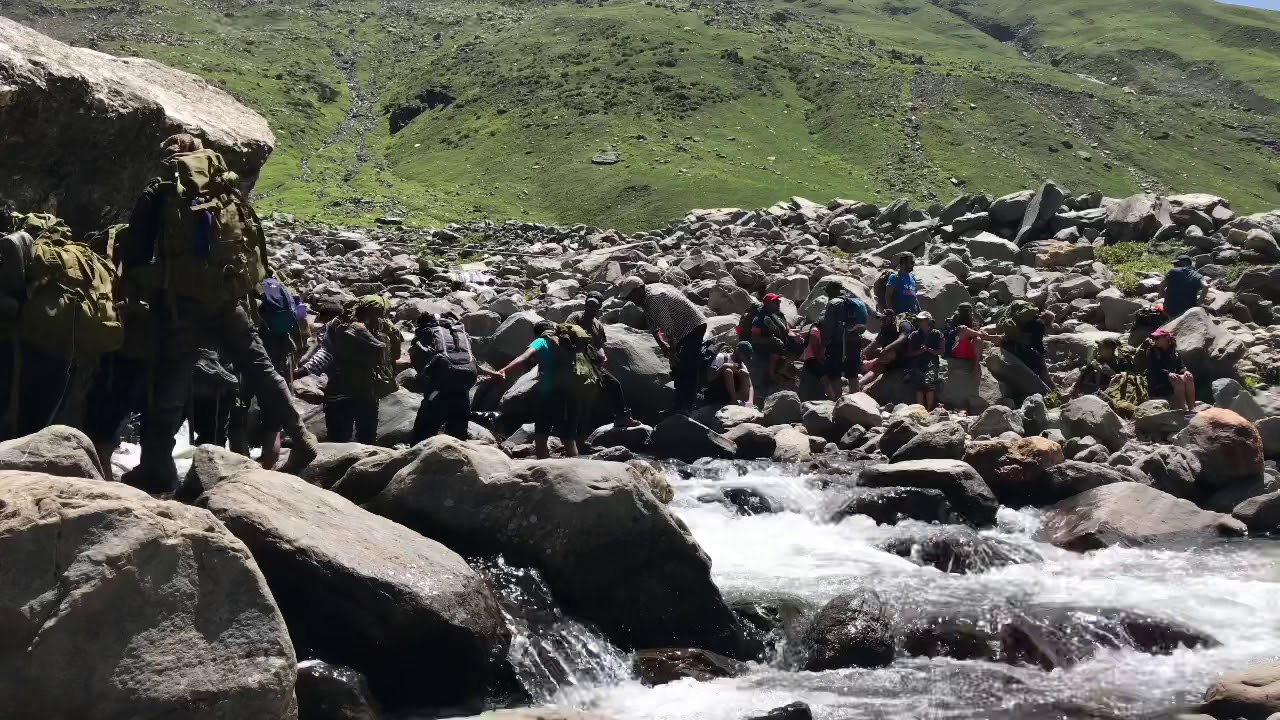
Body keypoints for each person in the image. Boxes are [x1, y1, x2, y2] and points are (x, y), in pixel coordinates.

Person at [118, 134, 318, 491]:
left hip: (181, 307)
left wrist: (144, 284)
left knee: (169, 386)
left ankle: (157, 467)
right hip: (228, 302)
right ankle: (301, 437)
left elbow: (135, 254)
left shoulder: (161, 193)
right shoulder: (225, 190)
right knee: (261, 370)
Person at [482, 320, 580, 459]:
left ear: (537, 333)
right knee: (569, 439)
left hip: (549, 394)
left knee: (541, 438)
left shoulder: (541, 341)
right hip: (572, 393)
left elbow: (523, 358)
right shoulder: (567, 341)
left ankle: (544, 471)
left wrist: (503, 371)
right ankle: (576, 468)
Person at [618, 276, 707, 414]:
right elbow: (653, 325)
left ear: (639, 289)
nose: (631, 300)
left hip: (693, 326)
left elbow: (667, 326)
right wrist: (662, 346)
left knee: (687, 366)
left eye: (631, 296)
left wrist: (672, 351)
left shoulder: (655, 297)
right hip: (681, 330)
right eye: (628, 298)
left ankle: (687, 405)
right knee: (676, 368)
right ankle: (678, 403)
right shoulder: (645, 299)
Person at [324, 295, 399, 444]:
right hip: (368, 393)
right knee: (367, 440)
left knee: (336, 442)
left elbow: (325, 354)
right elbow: (394, 356)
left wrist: (304, 370)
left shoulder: (340, 326)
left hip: (339, 392)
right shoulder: (386, 330)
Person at [566, 291, 635, 427]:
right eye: (589, 304)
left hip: (592, 363)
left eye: (594, 306)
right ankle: (574, 431)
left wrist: (602, 355)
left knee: (614, 384)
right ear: (585, 304)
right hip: (576, 361)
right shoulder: (575, 317)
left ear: (599, 307)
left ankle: (622, 417)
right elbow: (565, 333)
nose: (591, 308)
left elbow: (599, 345)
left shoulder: (598, 325)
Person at [410, 312, 476, 442]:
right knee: (458, 438)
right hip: (465, 384)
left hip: (439, 389)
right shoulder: (457, 333)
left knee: (422, 436)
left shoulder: (426, 334)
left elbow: (419, 367)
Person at [860, 308, 912, 392]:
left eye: (884, 318)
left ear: (892, 318)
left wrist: (889, 347)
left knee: (888, 353)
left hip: (904, 358)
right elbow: (876, 343)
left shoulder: (903, 325)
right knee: (877, 367)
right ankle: (860, 382)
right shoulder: (885, 328)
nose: (881, 320)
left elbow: (903, 338)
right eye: (881, 319)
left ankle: (871, 364)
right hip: (888, 360)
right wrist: (862, 353)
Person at [1146, 329, 1195, 411]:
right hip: (1158, 381)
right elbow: (1155, 369)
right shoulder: (1152, 351)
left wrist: (1185, 372)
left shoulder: (1175, 352)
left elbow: (1180, 367)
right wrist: (1168, 374)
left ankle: (1191, 408)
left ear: (1166, 338)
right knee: (1177, 380)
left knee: (1189, 378)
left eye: (1157, 338)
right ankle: (1183, 409)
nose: (1154, 340)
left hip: (1171, 378)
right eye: (1153, 338)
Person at [905, 312, 944, 410]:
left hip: (931, 363)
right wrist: (920, 351)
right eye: (919, 320)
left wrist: (930, 350)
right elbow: (909, 353)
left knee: (928, 382)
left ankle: (929, 409)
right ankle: (920, 409)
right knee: (919, 384)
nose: (920, 322)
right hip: (917, 363)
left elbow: (941, 350)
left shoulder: (937, 334)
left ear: (928, 321)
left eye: (922, 320)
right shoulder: (914, 335)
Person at [944, 303, 994, 376]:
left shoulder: (972, 322)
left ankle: (976, 366)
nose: (972, 313)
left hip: (969, 354)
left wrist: (980, 332)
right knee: (964, 330)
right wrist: (958, 329)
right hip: (956, 352)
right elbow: (948, 337)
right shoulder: (951, 322)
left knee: (978, 338)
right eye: (970, 311)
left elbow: (975, 333)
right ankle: (991, 337)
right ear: (964, 313)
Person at [705, 341, 755, 406]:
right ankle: (733, 400)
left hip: (731, 395)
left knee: (744, 373)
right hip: (717, 392)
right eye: (744, 355)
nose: (744, 359)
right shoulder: (722, 357)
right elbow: (710, 378)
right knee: (728, 371)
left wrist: (750, 401)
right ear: (737, 350)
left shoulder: (742, 365)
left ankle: (739, 400)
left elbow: (750, 386)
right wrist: (725, 366)